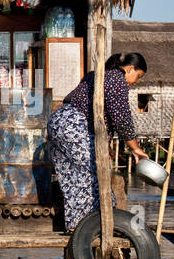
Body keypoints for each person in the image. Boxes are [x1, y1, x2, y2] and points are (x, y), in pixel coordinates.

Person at [47, 52, 150, 231]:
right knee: (93, 174)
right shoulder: (117, 79)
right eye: (138, 76)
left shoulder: (98, 75)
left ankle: (77, 226)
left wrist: (105, 144)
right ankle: (93, 225)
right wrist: (135, 147)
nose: (135, 82)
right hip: (75, 125)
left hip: (58, 122)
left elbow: (100, 114)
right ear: (130, 69)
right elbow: (121, 118)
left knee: (72, 177)